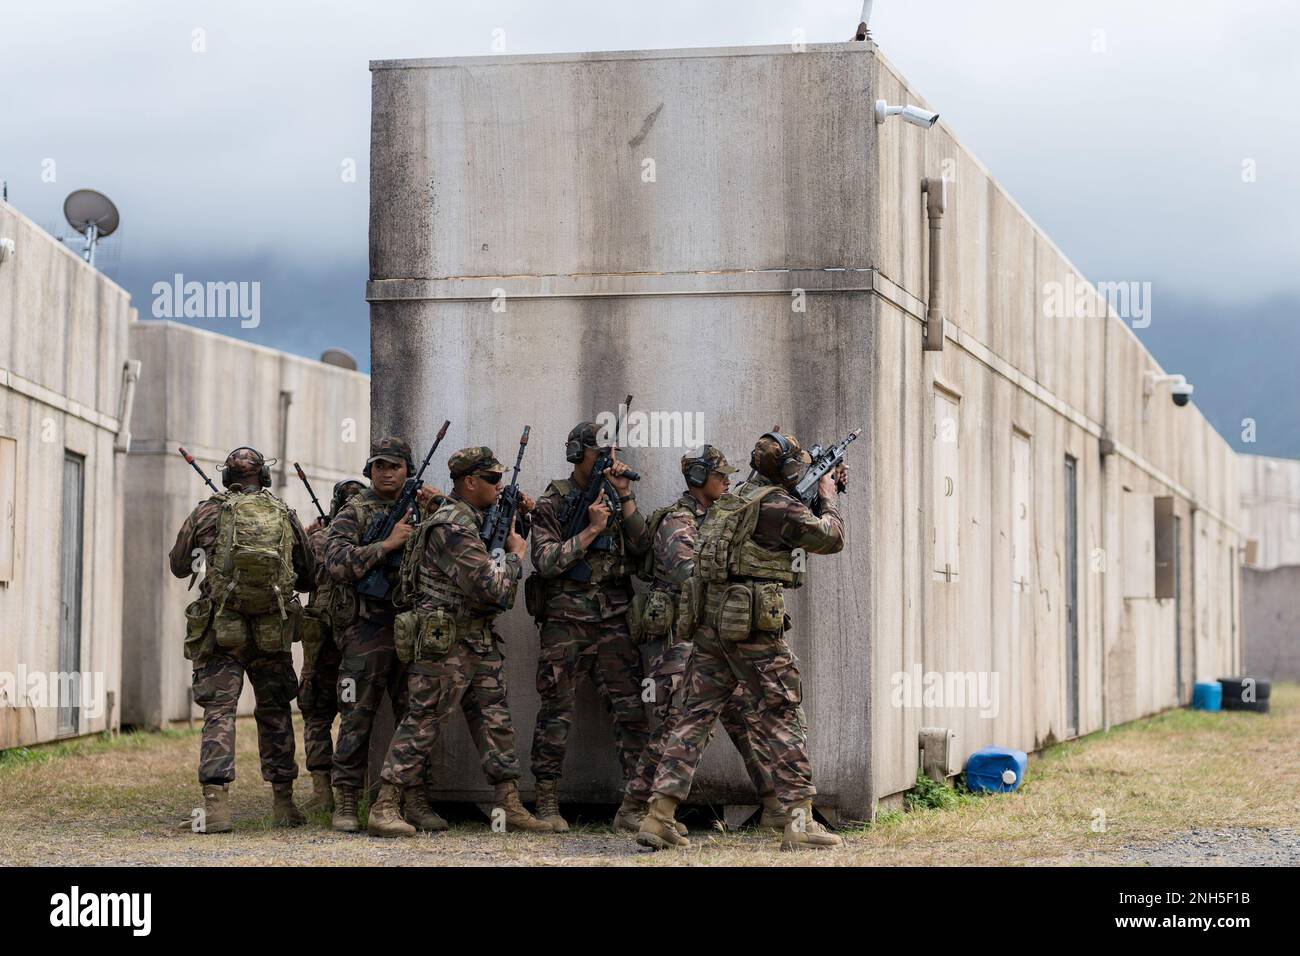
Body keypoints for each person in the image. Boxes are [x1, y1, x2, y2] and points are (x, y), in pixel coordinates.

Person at [637, 432, 848, 851]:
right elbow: (830, 539)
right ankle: (799, 821)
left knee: (694, 717)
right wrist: (828, 497)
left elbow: (763, 542)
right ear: (788, 470)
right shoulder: (777, 504)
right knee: (782, 712)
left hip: (713, 627)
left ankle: (658, 816)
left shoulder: (732, 501)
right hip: (750, 626)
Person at [368, 446, 552, 836]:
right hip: (445, 642)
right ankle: (385, 805)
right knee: (424, 719)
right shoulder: (452, 527)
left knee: (494, 719)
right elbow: (494, 590)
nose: (499, 486)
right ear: (470, 483)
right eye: (492, 480)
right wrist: (516, 557)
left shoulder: (472, 518)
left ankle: (508, 803)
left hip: (475, 638)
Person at [617, 445, 780, 832]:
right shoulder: (678, 522)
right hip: (681, 639)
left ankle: (775, 805)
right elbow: (688, 576)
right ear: (696, 479)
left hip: (712, 637)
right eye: (719, 474)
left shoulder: (718, 516)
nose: (727, 480)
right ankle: (634, 808)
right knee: (678, 723)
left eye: (728, 474)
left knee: (745, 715)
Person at [170, 446, 315, 833]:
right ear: (263, 478)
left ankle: (215, 808)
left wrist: (212, 557)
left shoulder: (206, 512)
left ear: (226, 477)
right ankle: (284, 804)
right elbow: (308, 575)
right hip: (271, 629)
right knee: (275, 710)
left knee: (220, 712)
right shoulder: (284, 513)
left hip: (221, 629)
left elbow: (178, 564)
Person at [526, 420, 651, 831]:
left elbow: (644, 552)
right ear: (577, 455)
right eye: (600, 453)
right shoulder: (553, 501)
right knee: (557, 709)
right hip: (567, 619)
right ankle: (546, 800)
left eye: (612, 453)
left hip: (614, 617)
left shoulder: (616, 496)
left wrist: (626, 500)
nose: (608, 460)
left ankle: (634, 804)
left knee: (630, 709)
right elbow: (544, 562)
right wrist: (591, 529)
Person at [323, 436, 442, 832]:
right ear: (369, 471)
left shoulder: (424, 508)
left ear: (408, 469)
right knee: (355, 715)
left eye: (394, 466)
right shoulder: (354, 512)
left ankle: (415, 799)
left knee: (416, 716)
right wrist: (386, 545)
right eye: (379, 466)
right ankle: (346, 801)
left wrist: (437, 511)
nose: (387, 472)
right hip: (366, 630)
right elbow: (335, 563)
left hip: (414, 629)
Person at [298, 477, 365, 813]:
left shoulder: (320, 538)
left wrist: (309, 536)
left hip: (322, 637)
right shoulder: (370, 535)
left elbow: (302, 577)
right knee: (355, 710)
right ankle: (351, 789)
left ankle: (322, 790)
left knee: (317, 712)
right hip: (355, 636)